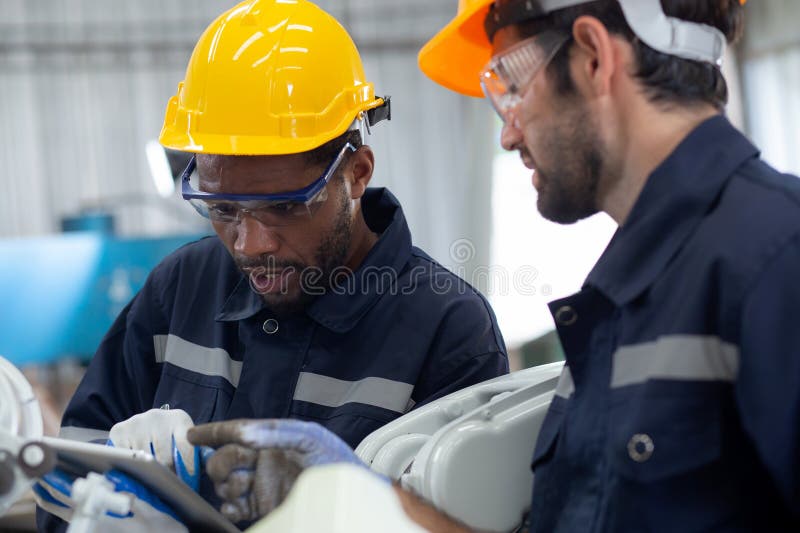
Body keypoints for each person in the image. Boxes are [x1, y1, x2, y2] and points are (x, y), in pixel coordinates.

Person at [189, 0, 800, 531]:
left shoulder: (774, 260)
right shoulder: (640, 287)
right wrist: (366, 498)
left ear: (592, 56)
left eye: (509, 80)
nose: (507, 132)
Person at [35, 0, 509, 530]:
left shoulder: (448, 329)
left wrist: (360, 505)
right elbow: (58, 474)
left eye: (285, 207)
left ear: (355, 174)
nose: (251, 244)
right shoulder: (180, 289)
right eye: (223, 209)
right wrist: (111, 491)